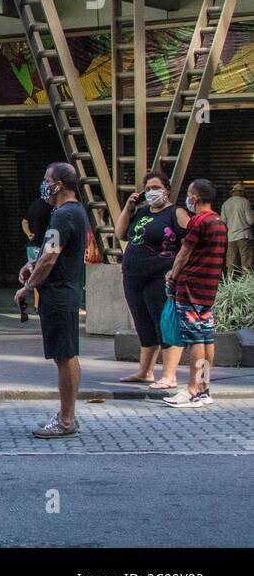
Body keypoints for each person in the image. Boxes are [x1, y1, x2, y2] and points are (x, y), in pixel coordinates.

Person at [15, 162, 89, 437]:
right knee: (67, 355)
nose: (44, 184)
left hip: (58, 295)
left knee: (64, 356)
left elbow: (51, 256)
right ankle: (67, 414)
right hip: (65, 292)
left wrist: (28, 286)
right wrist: (33, 265)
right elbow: (50, 253)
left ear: (59, 184)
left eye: (47, 179)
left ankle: (66, 420)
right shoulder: (72, 212)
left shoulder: (63, 215)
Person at [113, 170, 188, 386]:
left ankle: (169, 375)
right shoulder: (142, 212)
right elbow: (120, 233)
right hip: (133, 276)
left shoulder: (176, 213)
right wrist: (128, 208)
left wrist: (176, 272)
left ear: (167, 190)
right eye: (147, 189)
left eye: (156, 188)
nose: (151, 192)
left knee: (163, 323)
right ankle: (145, 372)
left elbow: (189, 244)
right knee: (142, 323)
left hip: (160, 276)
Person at [162, 178, 228, 408]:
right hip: (208, 288)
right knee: (207, 337)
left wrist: (172, 275)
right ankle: (204, 388)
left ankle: (193, 389)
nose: (187, 199)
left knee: (196, 339)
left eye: (189, 194)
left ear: (196, 197)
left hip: (191, 288)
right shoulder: (219, 221)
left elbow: (183, 253)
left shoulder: (198, 221)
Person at [220, 182, 252, 277]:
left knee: (231, 263)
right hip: (244, 236)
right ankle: (247, 282)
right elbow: (250, 221)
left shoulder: (225, 204)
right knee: (246, 262)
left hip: (231, 237)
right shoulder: (245, 202)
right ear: (242, 192)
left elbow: (223, 221)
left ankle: (230, 283)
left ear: (233, 192)